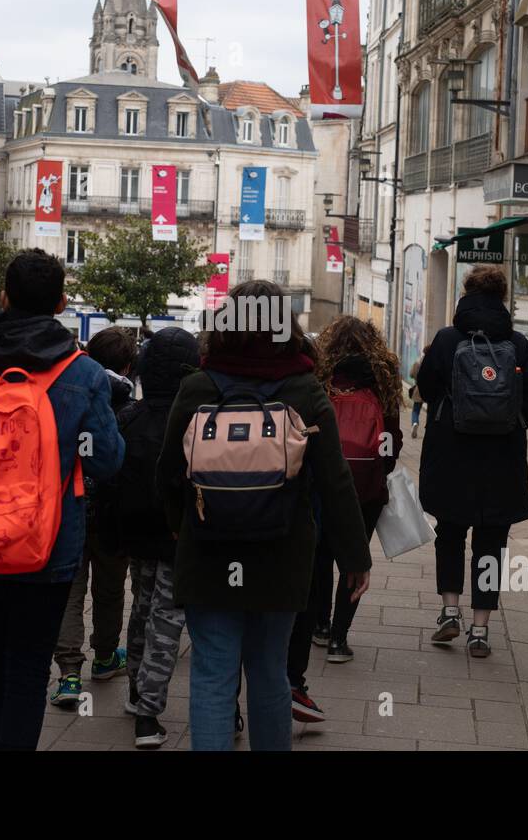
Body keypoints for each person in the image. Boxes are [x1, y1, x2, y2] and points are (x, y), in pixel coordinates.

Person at [157, 281, 372, 751]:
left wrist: (180, 527)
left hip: (209, 550)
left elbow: (168, 473)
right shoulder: (305, 390)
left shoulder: (198, 387)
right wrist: (355, 556)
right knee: (269, 670)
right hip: (282, 551)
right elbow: (336, 482)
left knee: (213, 673)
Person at [0, 249, 123, 750]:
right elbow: (106, 462)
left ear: (4, 298)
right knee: (31, 663)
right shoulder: (84, 374)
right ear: (60, 303)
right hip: (52, 544)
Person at [417, 266, 528, 658]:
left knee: (450, 533)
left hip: (452, 455)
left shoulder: (445, 339)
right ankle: (479, 629)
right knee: (491, 543)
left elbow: (425, 388)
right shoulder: (519, 344)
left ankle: (450, 610)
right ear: (503, 297)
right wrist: (512, 423)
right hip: (501, 459)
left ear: (466, 293)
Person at [107, 327, 200, 748]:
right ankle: (148, 713)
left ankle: (133, 691)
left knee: (142, 609)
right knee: (167, 617)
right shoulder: (193, 424)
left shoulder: (128, 417)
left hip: (134, 532)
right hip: (174, 535)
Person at [50, 325, 136, 707]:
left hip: (69, 504)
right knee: (110, 587)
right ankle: (104, 657)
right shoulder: (129, 406)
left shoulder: (67, 394)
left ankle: (69, 674)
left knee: (69, 590)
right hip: (113, 512)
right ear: (129, 365)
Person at [309, 316, 403, 663]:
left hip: (322, 481)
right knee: (353, 559)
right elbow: (390, 437)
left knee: (319, 556)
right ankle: (338, 640)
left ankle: (318, 625)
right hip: (364, 487)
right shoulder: (381, 377)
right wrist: (380, 471)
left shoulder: (320, 375)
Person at [409, 345, 429, 439]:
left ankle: (415, 422)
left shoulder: (418, 362)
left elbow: (411, 374)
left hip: (419, 389)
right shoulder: (434, 362)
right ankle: (429, 428)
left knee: (416, 410)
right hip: (430, 390)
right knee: (431, 411)